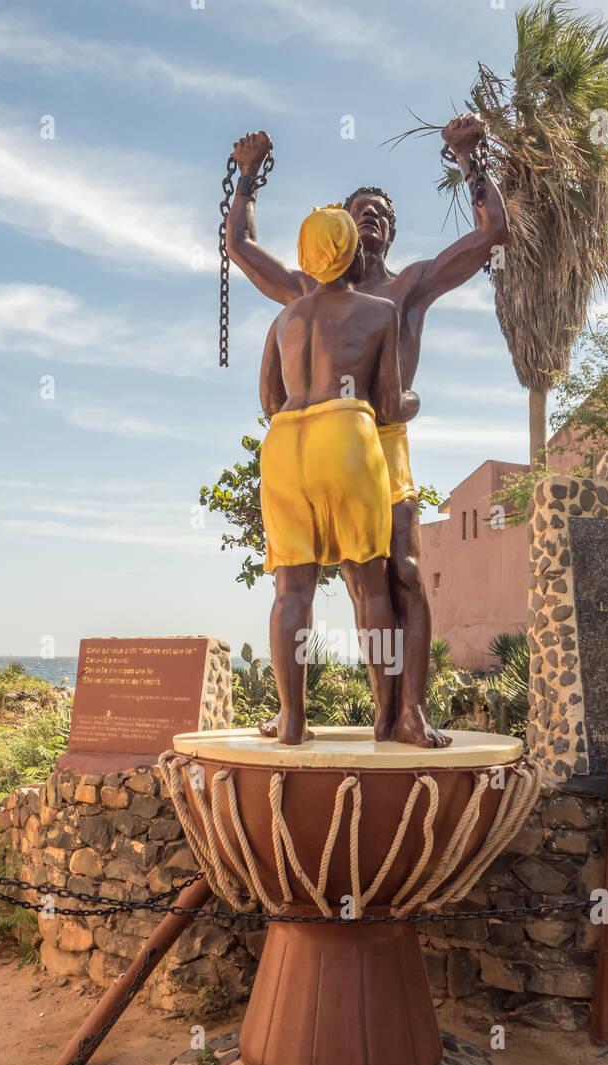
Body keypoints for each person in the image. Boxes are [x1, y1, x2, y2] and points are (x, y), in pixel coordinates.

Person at [227, 114, 508, 747]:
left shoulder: (406, 288)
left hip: (384, 448)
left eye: (382, 212)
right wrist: (246, 179)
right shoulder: (307, 292)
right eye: (361, 212)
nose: (373, 218)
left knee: (401, 571)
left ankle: (406, 711)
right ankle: (334, 713)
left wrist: (470, 158)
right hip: (334, 440)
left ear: (389, 231)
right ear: (346, 232)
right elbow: (241, 250)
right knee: (341, 579)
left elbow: (493, 232)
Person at [258, 205, 418, 746]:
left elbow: (268, 400)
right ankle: (385, 716)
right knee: (370, 586)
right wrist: (413, 402)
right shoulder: (379, 312)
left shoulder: (284, 320)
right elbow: (391, 405)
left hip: (285, 443)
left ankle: (292, 721)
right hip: (346, 436)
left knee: (290, 590)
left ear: (305, 255)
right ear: (352, 254)